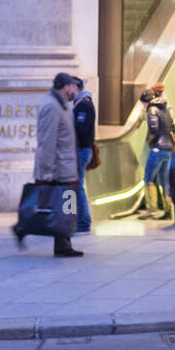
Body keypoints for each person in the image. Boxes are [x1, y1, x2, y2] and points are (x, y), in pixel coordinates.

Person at [13, 71, 83, 257]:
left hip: (67, 166)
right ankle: (22, 227)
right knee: (54, 205)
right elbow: (47, 142)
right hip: (58, 168)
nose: (75, 90)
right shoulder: (51, 107)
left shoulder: (64, 106)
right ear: (65, 86)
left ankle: (63, 245)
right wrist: (46, 173)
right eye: (73, 86)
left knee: (68, 207)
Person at [143, 83, 175, 217]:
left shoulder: (152, 109)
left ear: (146, 102)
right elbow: (172, 127)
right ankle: (169, 209)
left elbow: (154, 129)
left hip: (158, 148)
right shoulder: (165, 108)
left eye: (142, 104)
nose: (143, 107)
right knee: (164, 180)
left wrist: (151, 143)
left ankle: (152, 209)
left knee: (148, 178)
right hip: (168, 148)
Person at [71, 77, 97, 235]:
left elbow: (80, 128)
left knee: (77, 186)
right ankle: (80, 220)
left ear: (75, 86)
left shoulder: (84, 105)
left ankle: (83, 221)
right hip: (82, 150)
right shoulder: (82, 103)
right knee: (77, 185)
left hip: (81, 150)